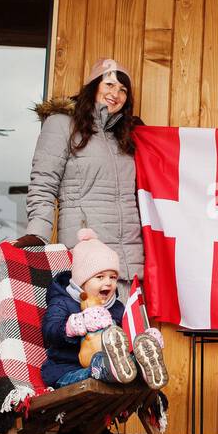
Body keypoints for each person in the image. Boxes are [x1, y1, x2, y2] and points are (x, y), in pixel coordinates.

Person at [17, 58, 143, 301]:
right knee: (86, 335)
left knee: (127, 338)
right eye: (109, 84)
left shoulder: (126, 138)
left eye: (123, 89)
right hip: (88, 258)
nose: (115, 93)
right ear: (93, 86)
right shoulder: (62, 124)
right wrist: (38, 233)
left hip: (128, 265)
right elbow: (43, 183)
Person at [41, 228, 168, 434]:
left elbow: (125, 338)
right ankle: (111, 368)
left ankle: (142, 364)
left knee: (126, 352)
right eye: (100, 277)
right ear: (82, 281)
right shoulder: (63, 303)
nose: (108, 282)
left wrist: (143, 336)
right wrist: (78, 323)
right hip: (67, 372)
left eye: (112, 277)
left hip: (112, 368)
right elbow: (50, 331)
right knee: (102, 362)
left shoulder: (117, 309)